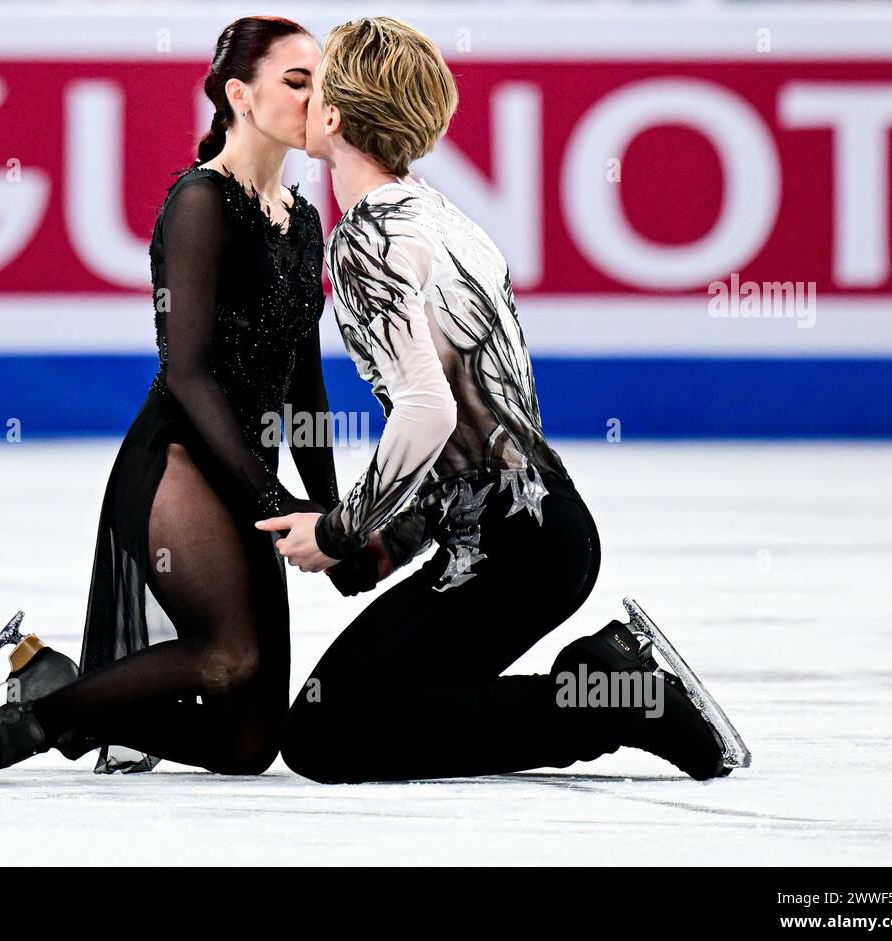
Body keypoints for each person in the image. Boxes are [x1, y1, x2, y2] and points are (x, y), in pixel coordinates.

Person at [259, 17, 750, 784]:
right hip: (543, 533)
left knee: (327, 733)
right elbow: (478, 426)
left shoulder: (364, 243)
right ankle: (602, 680)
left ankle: (623, 702)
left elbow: (428, 413)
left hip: (509, 552)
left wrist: (338, 529)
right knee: (381, 706)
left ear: (334, 116)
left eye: (313, 85)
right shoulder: (445, 219)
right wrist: (390, 543)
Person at [0, 16, 339, 784]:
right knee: (227, 655)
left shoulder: (304, 220)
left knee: (249, 746)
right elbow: (188, 374)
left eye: (323, 82)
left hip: (249, 473)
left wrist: (330, 514)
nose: (317, 99)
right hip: (180, 461)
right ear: (240, 96)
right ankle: (10, 730)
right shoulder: (200, 202)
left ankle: (54, 686)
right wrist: (272, 496)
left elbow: (303, 384)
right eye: (296, 82)